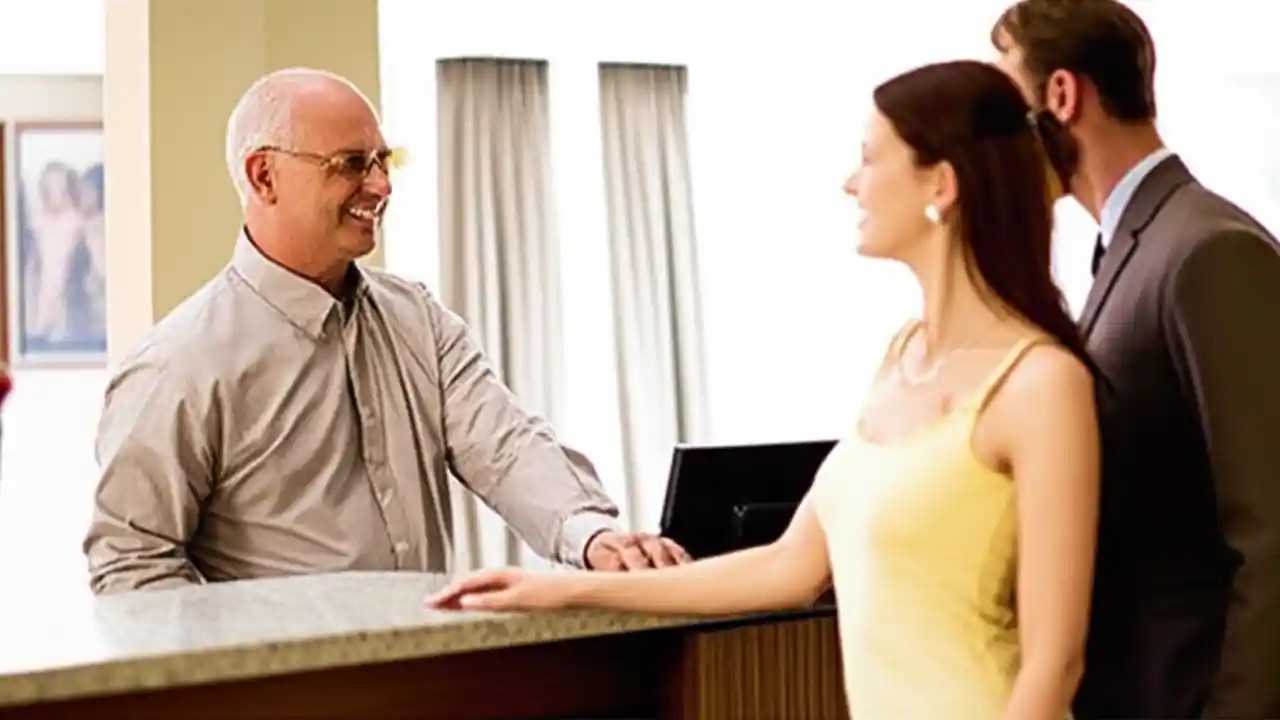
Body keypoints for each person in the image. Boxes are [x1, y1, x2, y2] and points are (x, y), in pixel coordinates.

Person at [428, 60, 1100, 720]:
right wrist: (564, 590)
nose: (850, 183)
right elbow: (789, 567)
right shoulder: (902, 357)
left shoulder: (1041, 384)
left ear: (941, 184)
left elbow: (1053, 666)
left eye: (869, 159)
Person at [84, 68, 689, 595]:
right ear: (263, 176)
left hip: (425, 679)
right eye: (351, 164)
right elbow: (133, 567)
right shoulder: (177, 363)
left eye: (382, 161)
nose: (380, 186)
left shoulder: (417, 319)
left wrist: (594, 537)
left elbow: (507, 448)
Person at [992, 2, 1280, 717]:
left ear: (1061, 95)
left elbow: (1272, 530)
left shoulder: (1208, 250)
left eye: (1004, 102)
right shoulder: (1137, 248)